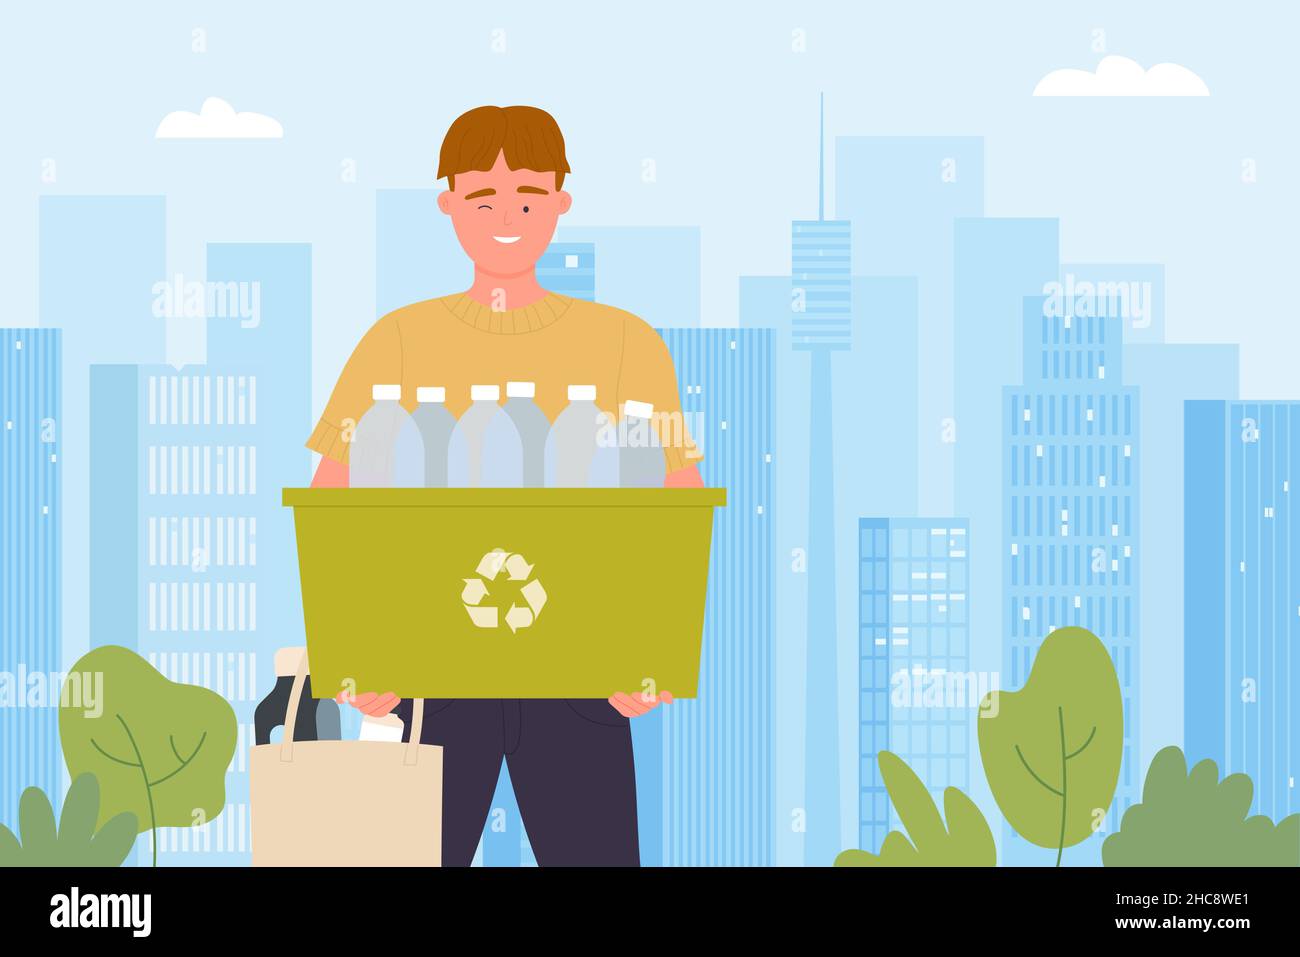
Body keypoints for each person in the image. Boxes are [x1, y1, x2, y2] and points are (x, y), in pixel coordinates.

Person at [307, 105, 703, 866]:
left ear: (562, 200)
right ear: (447, 203)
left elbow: (677, 501)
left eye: (527, 195)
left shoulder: (625, 343)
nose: (507, 217)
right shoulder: (396, 341)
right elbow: (332, 505)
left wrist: (656, 653)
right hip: (423, 671)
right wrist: (354, 655)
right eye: (482, 199)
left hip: (583, 669)